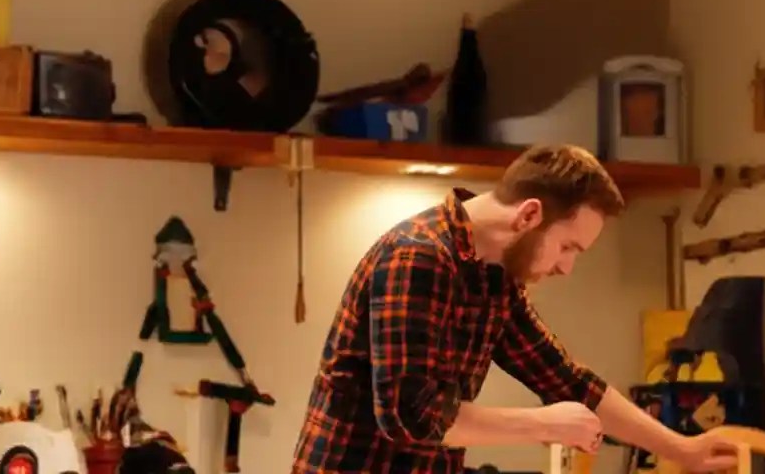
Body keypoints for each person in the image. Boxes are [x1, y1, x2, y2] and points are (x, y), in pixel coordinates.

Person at [289, 144, 739, 473]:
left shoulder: (494, 278)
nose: (567, 267)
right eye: (567, 247)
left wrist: (683, 450)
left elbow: (567, 381)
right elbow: (412, 416)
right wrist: (543, 425)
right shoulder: (418, 256)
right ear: (528, 216)